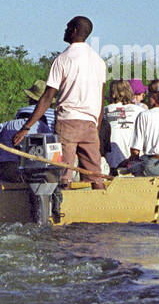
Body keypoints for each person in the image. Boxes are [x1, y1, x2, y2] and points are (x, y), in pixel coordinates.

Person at [11, 15, 108, 190]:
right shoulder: (99, 62)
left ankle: (61, 213)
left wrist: (26, 127)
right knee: (95, 177)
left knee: (63, 175)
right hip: (90, 125)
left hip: (67, 123)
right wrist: (96, 129)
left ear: (75, 31)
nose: (64, 30)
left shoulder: (63, 59)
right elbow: (101, 101)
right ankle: (100, 210)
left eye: (67, 27)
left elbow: (47, 97)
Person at [0, 81, 57, 182]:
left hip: (7, 166)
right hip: (37, 166)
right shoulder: (53, 116)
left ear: (30, 98)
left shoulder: (15, 119)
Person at [102, 79, 145, 169]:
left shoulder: (103, 111)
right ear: (129, 91)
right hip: (134, 163)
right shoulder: (140, 111)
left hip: (109, 163)